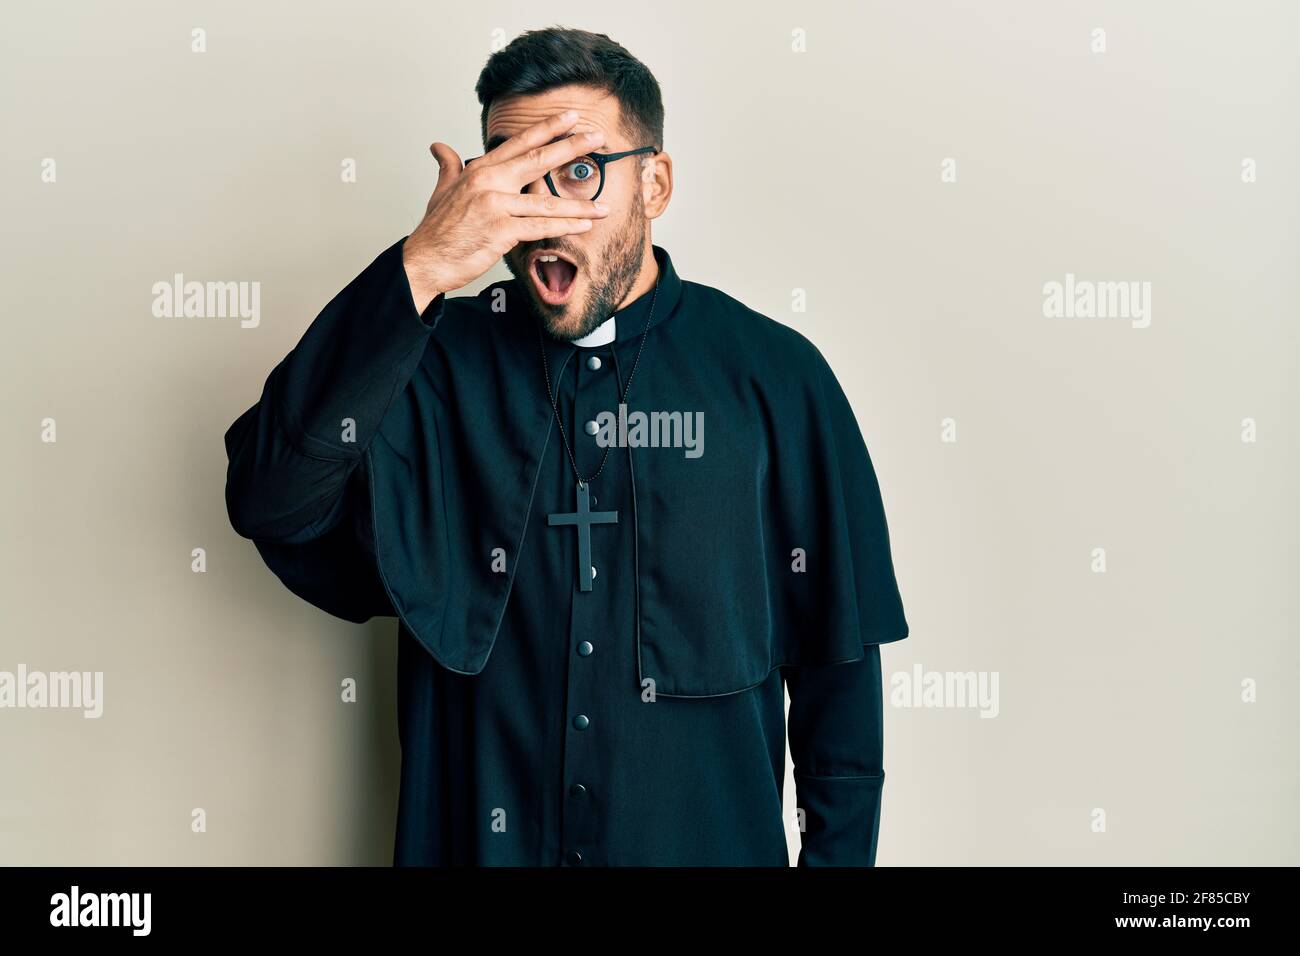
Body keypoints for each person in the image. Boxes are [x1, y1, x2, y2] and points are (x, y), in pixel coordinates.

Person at [223, 26, 909, 866]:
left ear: (653, 183)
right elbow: (270, 498)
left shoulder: (777, 379)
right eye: (513, 175)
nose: (542, 214)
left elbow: (840, 679)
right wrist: (423, 267)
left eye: (578, 171)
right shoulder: (424, 366)